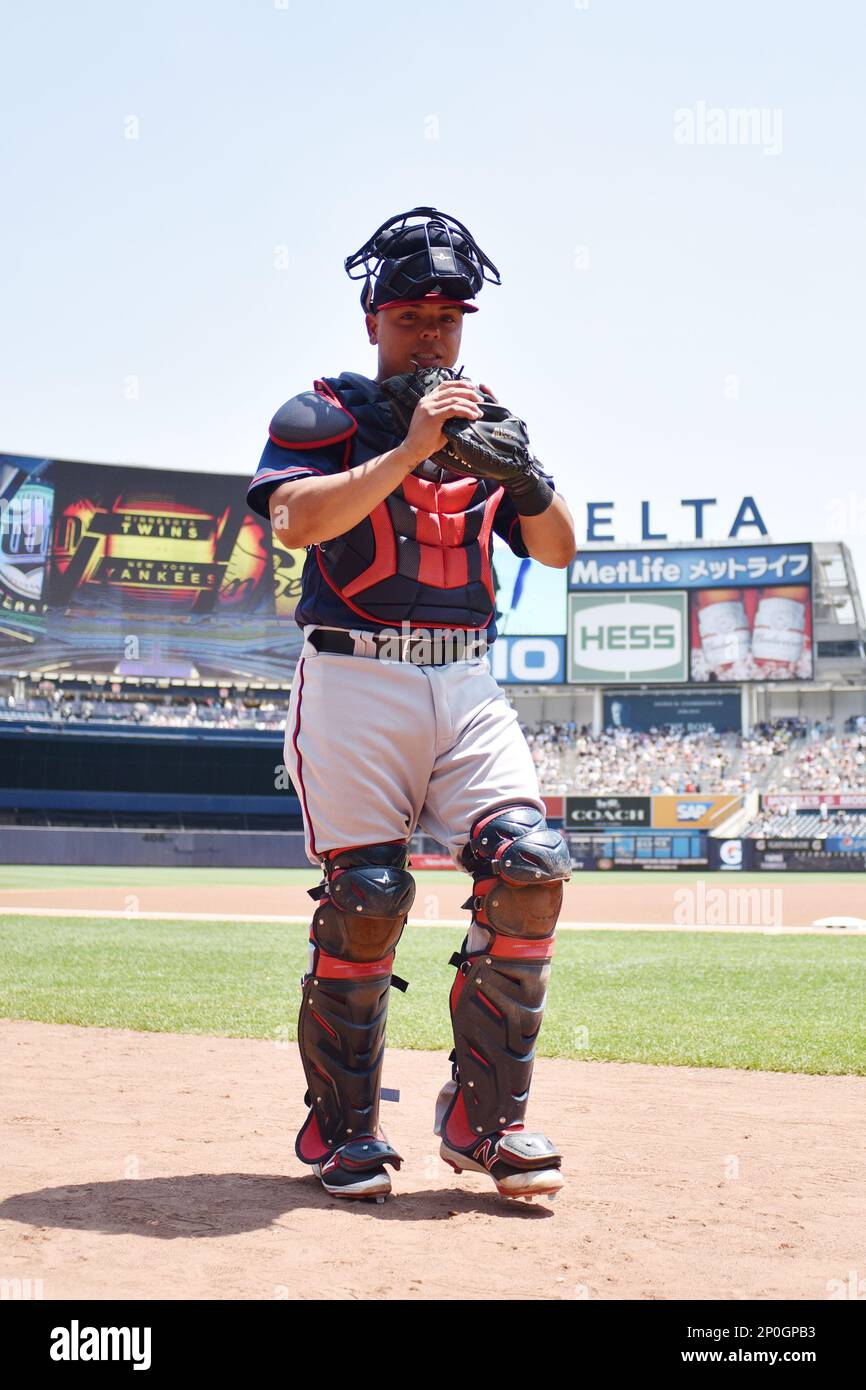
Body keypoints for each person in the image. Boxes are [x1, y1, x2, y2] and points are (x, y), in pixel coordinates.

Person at [246, 207, 577, 1203]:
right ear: (372, 320)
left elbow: (556, 549)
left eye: (448, 317)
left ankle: (485, 1123)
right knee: (368, 895)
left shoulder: (494, 425)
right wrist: (410, 448)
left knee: (530, 869)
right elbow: (297, 521)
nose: (431, 334)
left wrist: (518, 471)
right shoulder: (322, 414)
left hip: (464, 677)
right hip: (353, 676)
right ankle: (340, 1129)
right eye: (410, 315)